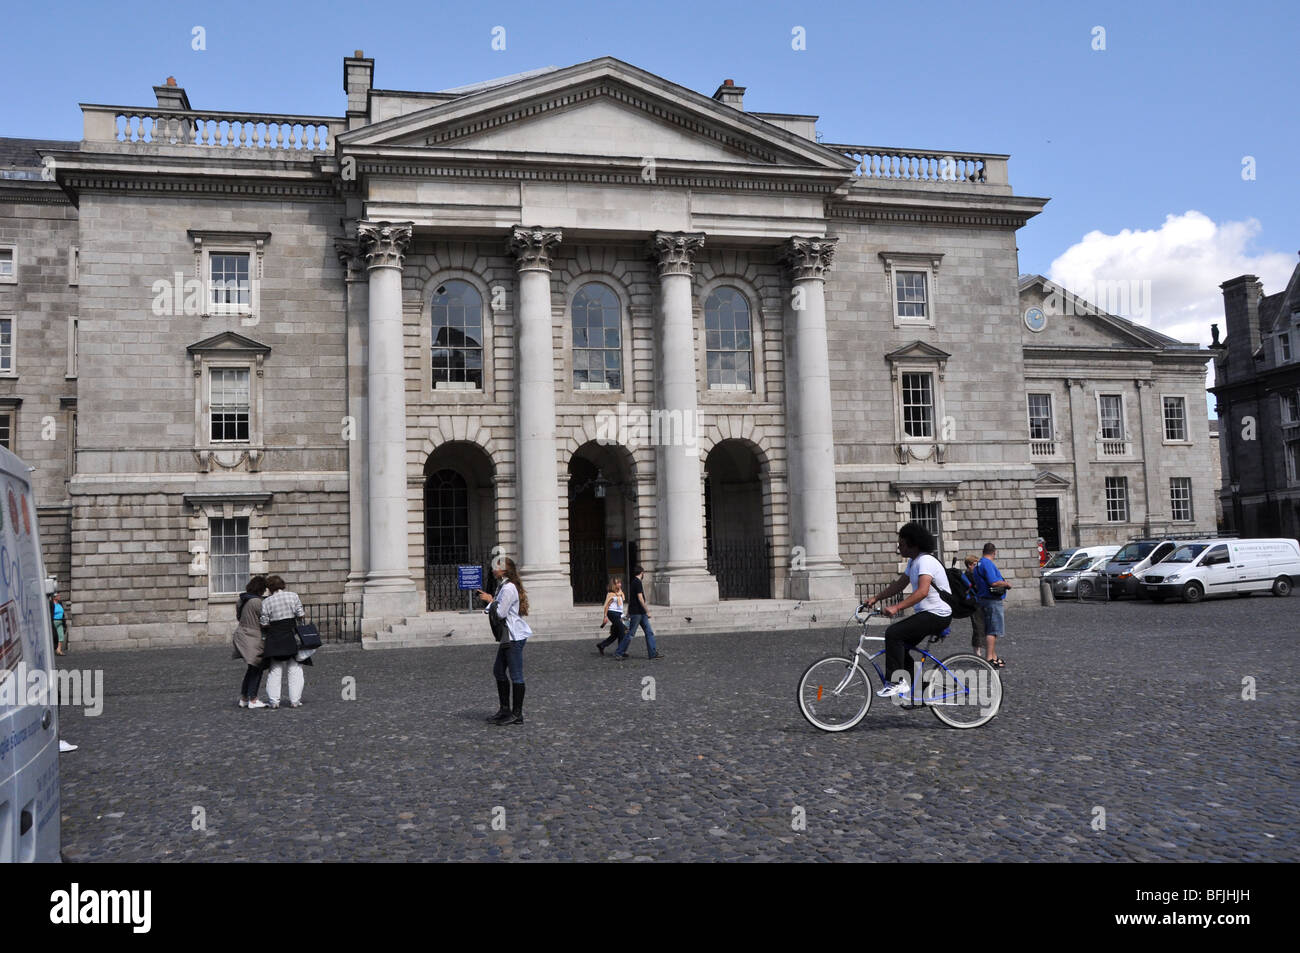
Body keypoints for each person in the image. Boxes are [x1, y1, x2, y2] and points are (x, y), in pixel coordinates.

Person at [863, 522, 953, 699]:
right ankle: (919, 689)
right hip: (928, 614)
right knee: (900, 646)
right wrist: (876, 598)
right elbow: (899, 584)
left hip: (937, 614)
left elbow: (922, 592)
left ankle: (896, 682)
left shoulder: (925, 561)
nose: (899, 547)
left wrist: (897, 607)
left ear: (914, 544)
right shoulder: (914, 562)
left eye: (902, 543)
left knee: (893, 633)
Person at [478, 558, 532, 725]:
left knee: (516, 675)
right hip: (507, 637)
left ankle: (517, 714)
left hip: (514, 637)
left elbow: (501, 613)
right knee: (498, 671)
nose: (493, 569)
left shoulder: (508, 588)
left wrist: (489, 600)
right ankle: (504, 709)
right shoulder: (503, 586)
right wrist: (492, 601)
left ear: (504, 570)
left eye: (496, 567)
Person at [259, 575, 308, 709]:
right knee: (295, 669)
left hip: (274, 636)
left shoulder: (266, 602)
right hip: (291, 635)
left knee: (275, 670)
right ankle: (295, 700)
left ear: (269, 588)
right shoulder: (293, 596)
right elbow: (301, 614)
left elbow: (264, 623)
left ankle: (274, 701)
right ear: (282, 585)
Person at [972, 543, 1011, 668]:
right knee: (993, 630)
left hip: (983, 598)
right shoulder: (988, 564)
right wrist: (1006, 584)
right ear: (994, 553)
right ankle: (989, 658)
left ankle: (994, 656)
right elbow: (993, 582)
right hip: (992, 600)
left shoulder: (978, 564)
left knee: (990, 628)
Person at [233, 575, 268, 709]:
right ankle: (253, 699)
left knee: (251, 668)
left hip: (241, 634)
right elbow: (264, 621)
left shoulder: (241, 600)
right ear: (261, 589)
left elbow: (238, 617)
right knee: (257, 667)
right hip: (253, 636)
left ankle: (244, 697)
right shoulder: (257, 602)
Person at [615, 566, 662, 660]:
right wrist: (647, 611)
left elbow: (632, 600)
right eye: (643, 573)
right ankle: (619, 652)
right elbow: (640, 599)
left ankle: (652, 653)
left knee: (649, 632)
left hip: (639, 612)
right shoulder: (637, 582)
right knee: (631, 634)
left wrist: (628, 612)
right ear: (642, 572)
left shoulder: (633, 582)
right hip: (638, 613)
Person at [962, 554, 987, 657]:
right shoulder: (970, 575)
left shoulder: (970, 574)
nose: (977, 567)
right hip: (974, 603)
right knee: (978, 626)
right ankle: (977, 652)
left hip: (977, 602)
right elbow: (978, 587)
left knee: (981, 626)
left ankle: (979, 650)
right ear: (969, 565)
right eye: (975, 564)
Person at [596, 577, 626, 656]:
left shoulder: (620, 592)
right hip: (612, 613)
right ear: (613, 585)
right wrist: (605, 616)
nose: (619, 584)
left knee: (616, 634)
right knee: (622, 631)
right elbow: (606, 606)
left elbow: (621, 604)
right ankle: (620, 652)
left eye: (620, 582)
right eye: (617, 583)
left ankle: (602, 645)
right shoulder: (611, 594)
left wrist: (623, 615)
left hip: (619, 613)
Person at [50, 591, 68, 656]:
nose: (59, 597)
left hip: (60, 621)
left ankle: (59, 650)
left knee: (61, 636)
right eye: (58, 596)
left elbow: (62, 612)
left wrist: (64, 621)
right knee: (54, 636)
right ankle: (52, 650)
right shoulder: (51, 603)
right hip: (54, 621)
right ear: (54, 597)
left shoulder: (60, 603)